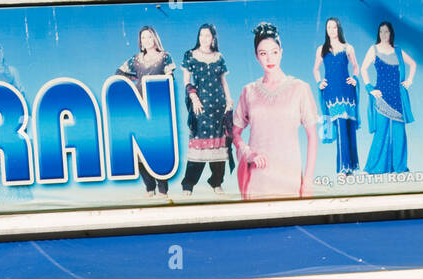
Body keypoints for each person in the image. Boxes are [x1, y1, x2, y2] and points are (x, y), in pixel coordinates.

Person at [232, 21, 318, 200]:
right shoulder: (249, 91)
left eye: (274, 52)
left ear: (281, 53)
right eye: (263, 53)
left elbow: (312, 136)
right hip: (257, 179)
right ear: (256, 56)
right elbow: (235, 134)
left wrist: (308, 181)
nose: (269, 59)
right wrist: (249, 153)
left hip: (290, 181)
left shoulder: (300, 88)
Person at [119, 27, 174, 196]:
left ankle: (163, 189)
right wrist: (136, 81)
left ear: (155, 39)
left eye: (149, 36)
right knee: (138, 149)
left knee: (159, 148)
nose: (147, 40)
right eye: (143, 37)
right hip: (138, 106)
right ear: (140, 41)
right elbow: (119, 73)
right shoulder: (135, 59)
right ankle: (149, 187)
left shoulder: (165, 56)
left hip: (157, 106)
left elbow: (170, 77)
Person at [180, 24, 233, 194]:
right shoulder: (190, 55)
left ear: (213, 38)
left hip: (219, 106)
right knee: (199, 145)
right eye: (201, 35)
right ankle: (188, 185)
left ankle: (216, 182)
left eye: (208, 35)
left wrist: (229, 100)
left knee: (220, 145)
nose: (204, 38)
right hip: (200, 107)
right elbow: (186, 81)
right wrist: (194, 99)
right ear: (198, 37)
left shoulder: (219, 57)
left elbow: (223, 82)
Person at [360, 22, 416, 175]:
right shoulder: (374, 50)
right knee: (381, 132)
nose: (384, 34)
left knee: (399, 134)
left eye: (386, 32)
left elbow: (413, 64)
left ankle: (400, 168)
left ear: (391, 33)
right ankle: (371, 168)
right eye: (381, 31)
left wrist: (409, 80)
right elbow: (363, 69)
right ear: (378, 33)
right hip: (381, 98)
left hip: (397, 98)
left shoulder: (398, 51)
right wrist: (370, 88)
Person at [313, 17, 359, 175]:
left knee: (348, 128)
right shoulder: (322, 49)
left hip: (347, 92)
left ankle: (351, 168)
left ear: (339, 28)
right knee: (339, 127)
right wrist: (319, 82)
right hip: (332, 93)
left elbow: (356, 67)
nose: (331, 30)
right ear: (326, 30)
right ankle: (342, 169)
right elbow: (315, 69)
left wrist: (355, 79)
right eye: (328, 28)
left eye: (334, 27)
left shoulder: (348, 48)